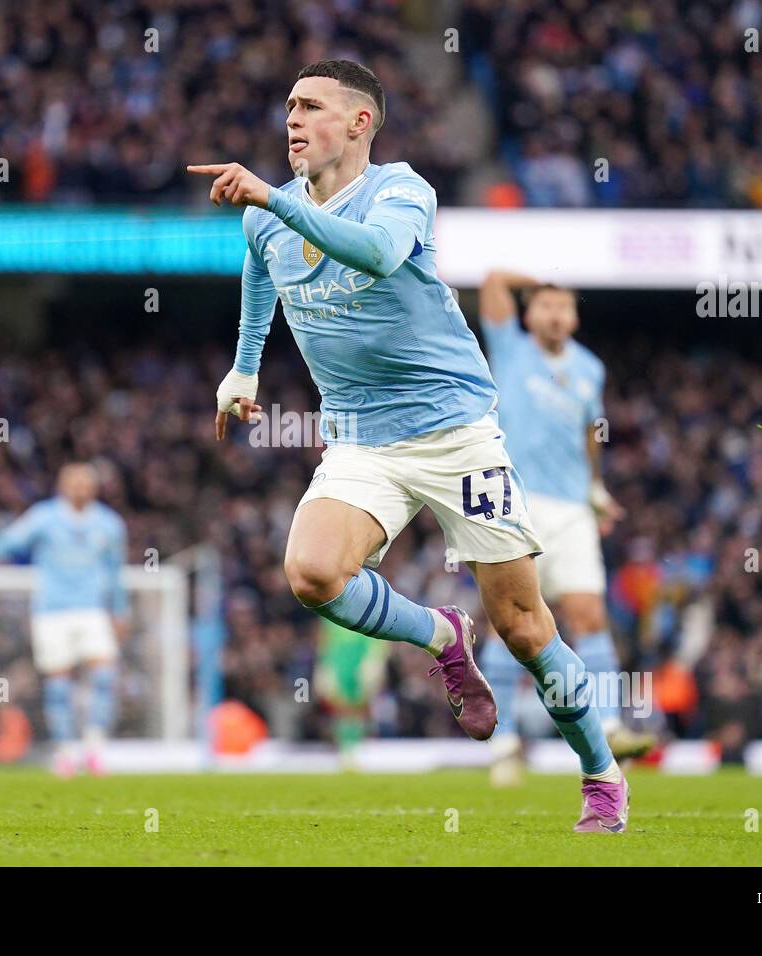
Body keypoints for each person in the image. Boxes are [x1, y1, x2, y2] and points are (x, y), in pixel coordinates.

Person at [188, 59, 629, 831]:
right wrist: (244, 366)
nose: (291, 121)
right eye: (287, 106)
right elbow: (260, 266)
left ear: (359, 123)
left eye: (311, 107)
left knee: (525, 627)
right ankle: (439, 633)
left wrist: (270, 202)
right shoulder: (270, 215)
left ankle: (600, 773)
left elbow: (378, 255)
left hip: (456, 433)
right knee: (313, 573)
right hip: (360, 436)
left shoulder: (402, 190)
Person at [478, 272, 657, 785]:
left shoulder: (589, 369)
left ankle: (610, 724)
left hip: (572, 508)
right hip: (515, 502)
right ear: (530, 314)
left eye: (563, 306)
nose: (556, 314)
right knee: (510, 623)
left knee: (589, 614)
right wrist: (537, 283)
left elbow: (589, 433)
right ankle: (503, 739)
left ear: (574, 318)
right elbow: (492, 282)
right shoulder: (510, 348)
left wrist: (596, 489)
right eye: (546, 306)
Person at [0, 463, 128, 777]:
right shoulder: (45, 518)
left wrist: (120, 610)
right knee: (59, 685)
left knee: (104, 677)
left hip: (92, 611)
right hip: (52, 612)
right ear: (62, 486)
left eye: (85, 482)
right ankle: (64, 753)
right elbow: (9, 540)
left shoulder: (110, 524)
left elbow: (115, 572)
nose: (79, 487)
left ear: (94, 487)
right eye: (73, 481)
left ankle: (94, 748)